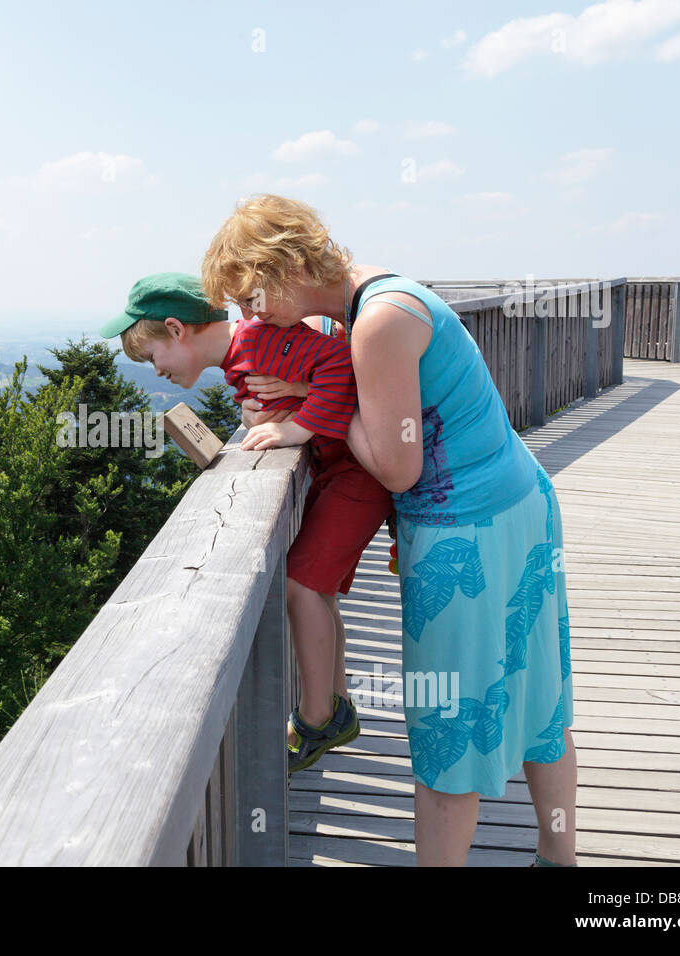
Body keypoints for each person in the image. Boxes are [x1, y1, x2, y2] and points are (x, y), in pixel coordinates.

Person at [201, 195, 577, 867]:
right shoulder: (376, 290)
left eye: (252, 296)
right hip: (520, 500)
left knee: (447, 738)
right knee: (540, 700)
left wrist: (308, 405)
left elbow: (398, 470)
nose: (250, 316)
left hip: (465, 530)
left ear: (286, 267)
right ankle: (558, 858)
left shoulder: (375, 323)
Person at [100, 272, 395, 774]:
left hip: (357, 475)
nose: (157, 372)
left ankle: (315, 717)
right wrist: (264, 412)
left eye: (153, 357)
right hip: (344, 473)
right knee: (316, 590)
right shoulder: (247, 352)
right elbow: (299, 385)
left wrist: (294, 426)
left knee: (300, 585)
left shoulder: (256, 343)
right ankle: (336, 706)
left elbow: (343, 364)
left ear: (177, 329)